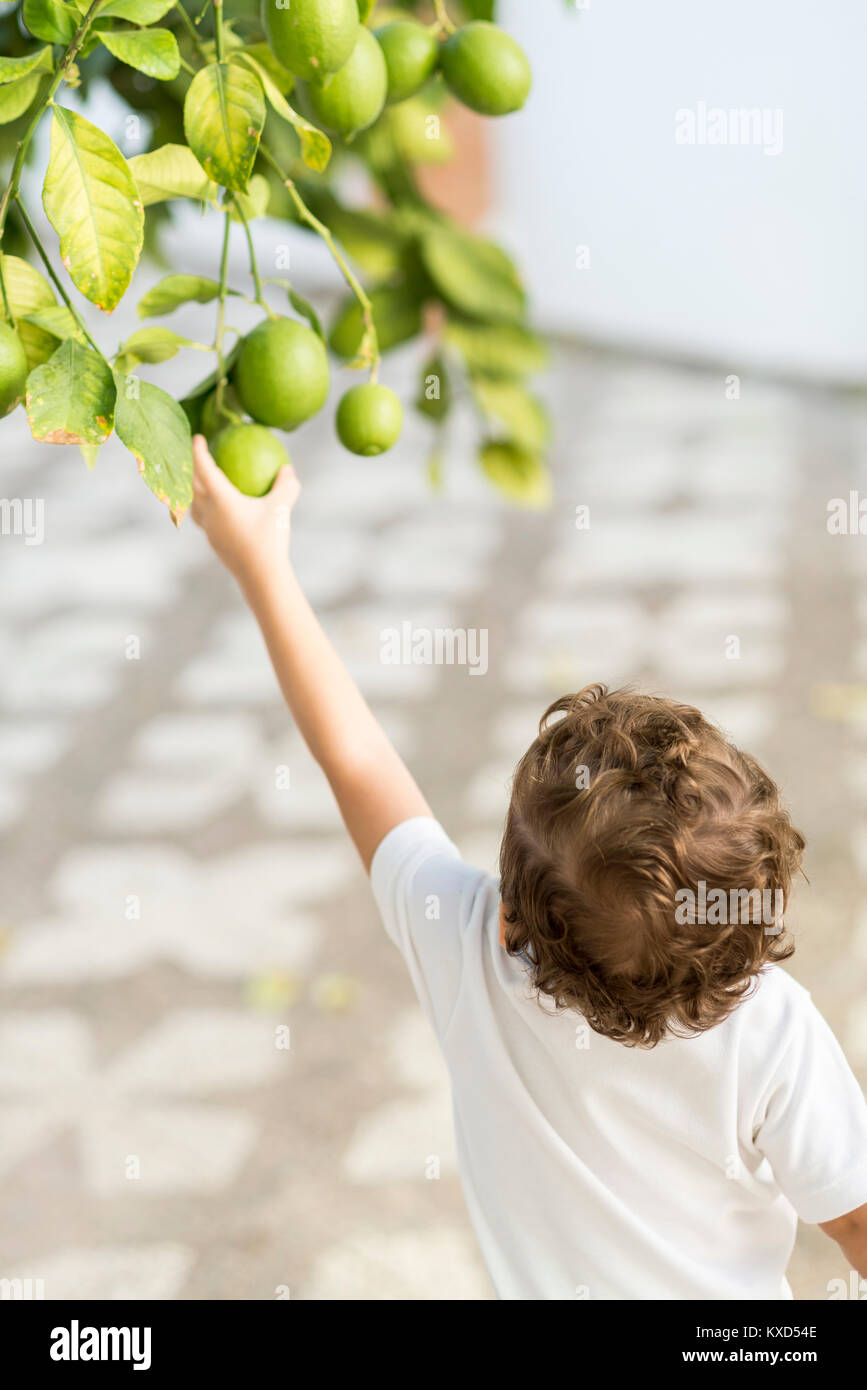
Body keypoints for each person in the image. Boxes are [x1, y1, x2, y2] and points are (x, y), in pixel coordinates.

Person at [191, 436, 867, 1300]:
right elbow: (853, 1223)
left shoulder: (463, 946)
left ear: (512, 914)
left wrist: (259, 564)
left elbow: (353, 760)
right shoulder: (770, 1030)